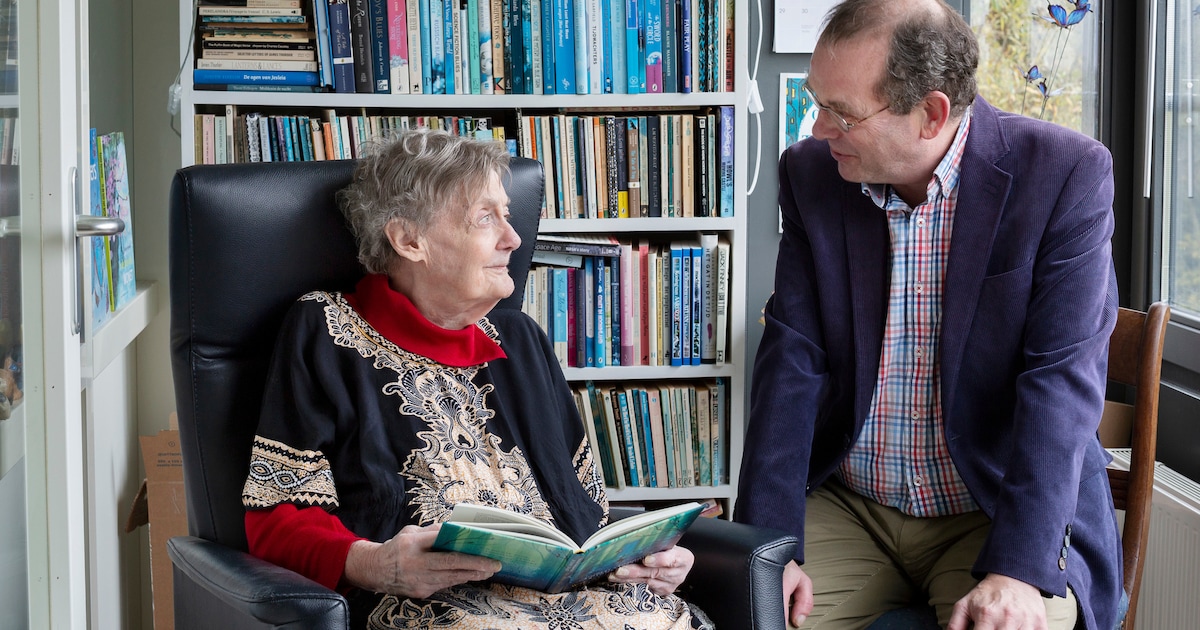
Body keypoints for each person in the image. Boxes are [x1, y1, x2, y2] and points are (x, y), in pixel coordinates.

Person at [735, 1, 1123, 629]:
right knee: (746, 612)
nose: (817, 128)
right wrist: (769, 546)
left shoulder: (1064, 174)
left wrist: (1019, 571)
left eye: (842, 112)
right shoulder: (811, 173)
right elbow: (792, 359)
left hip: (994, 509)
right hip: (852, 501)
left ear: (931, 114)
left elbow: (1061, 383)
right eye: (817, 100)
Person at [240, 128, 708, 630]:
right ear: (408, 240)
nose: (514, 238)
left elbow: (584, 511)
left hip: (573, 604)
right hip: (427, 608)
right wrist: (376, 564)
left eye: (506, 214)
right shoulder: (324, 329)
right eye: (486, 217)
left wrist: (642, 561)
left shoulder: (522, 340)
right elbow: (277, 517)